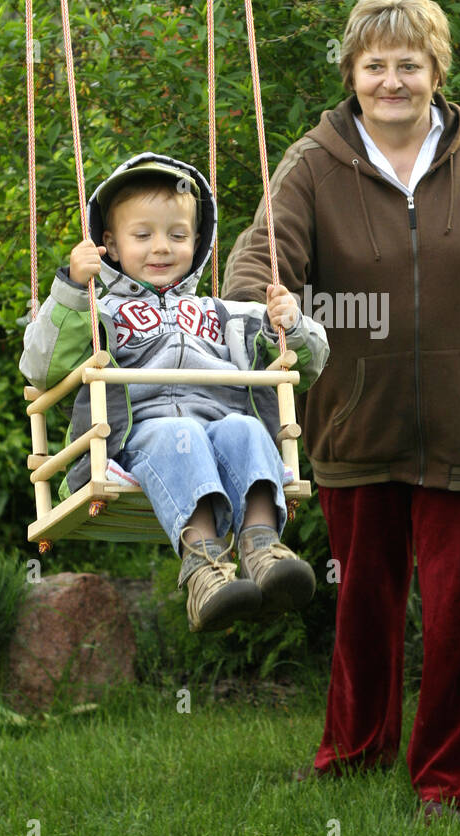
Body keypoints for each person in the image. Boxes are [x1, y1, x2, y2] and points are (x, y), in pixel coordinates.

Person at [223, 0, 460, 821]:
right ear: (352, 73)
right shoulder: (312, 164)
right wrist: (258, 312)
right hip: (357, 422)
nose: (392, 81)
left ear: (437, 71)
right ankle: (354, 753)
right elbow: (258, 266)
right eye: (375, 65)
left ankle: (451, 780)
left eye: (409, 65)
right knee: (362, 605)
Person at [19, 152, 329, 633]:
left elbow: (308, 364)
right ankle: (204, 569)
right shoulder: (100, 314)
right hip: (139, 436)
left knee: (248, 428)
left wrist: (289, 324)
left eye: (178, 235)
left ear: (197, 242)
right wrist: (72, 291)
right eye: (142, 235)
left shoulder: (225, 313)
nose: (161, 248)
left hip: (220, 427)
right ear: (110, 244)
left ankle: (264, 547)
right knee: (177, 431)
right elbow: (39, 366)